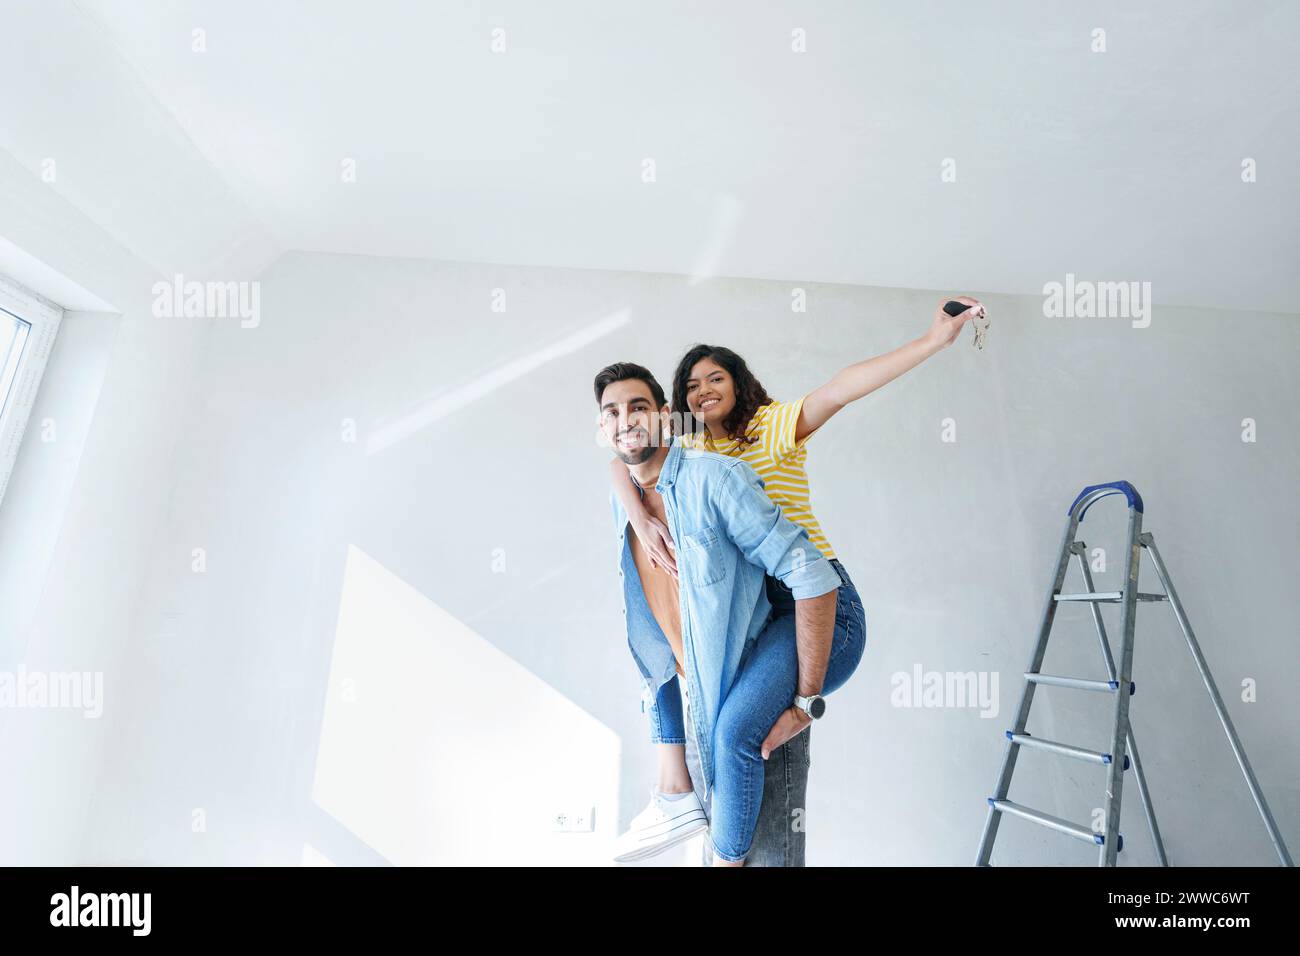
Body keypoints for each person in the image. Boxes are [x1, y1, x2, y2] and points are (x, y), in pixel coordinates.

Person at [609, 296, 987, 865]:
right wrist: (637, 514)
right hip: (757, 613)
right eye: (691, 384)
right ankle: (678, 796)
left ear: (739, 385)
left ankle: (725, 856)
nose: (703, 389)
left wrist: (932, 342)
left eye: (717, 377)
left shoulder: (770, 426)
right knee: (680, 679)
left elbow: (843, 387)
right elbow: (620, 451)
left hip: (819, 600)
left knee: (739, 734)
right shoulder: (689, 446)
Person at [597, 363, 856, 866]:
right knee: (714, 826)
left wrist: (806, 701)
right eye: (613, 412)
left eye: (639, 407)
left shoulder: (721, 473)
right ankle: (677, 802)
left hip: (779, 655)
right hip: (702, 693)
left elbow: (815, 579)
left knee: (766, 852)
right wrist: (635, 511)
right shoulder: (624, 493)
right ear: (601, 428)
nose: (627, 420)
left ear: (666, 417)